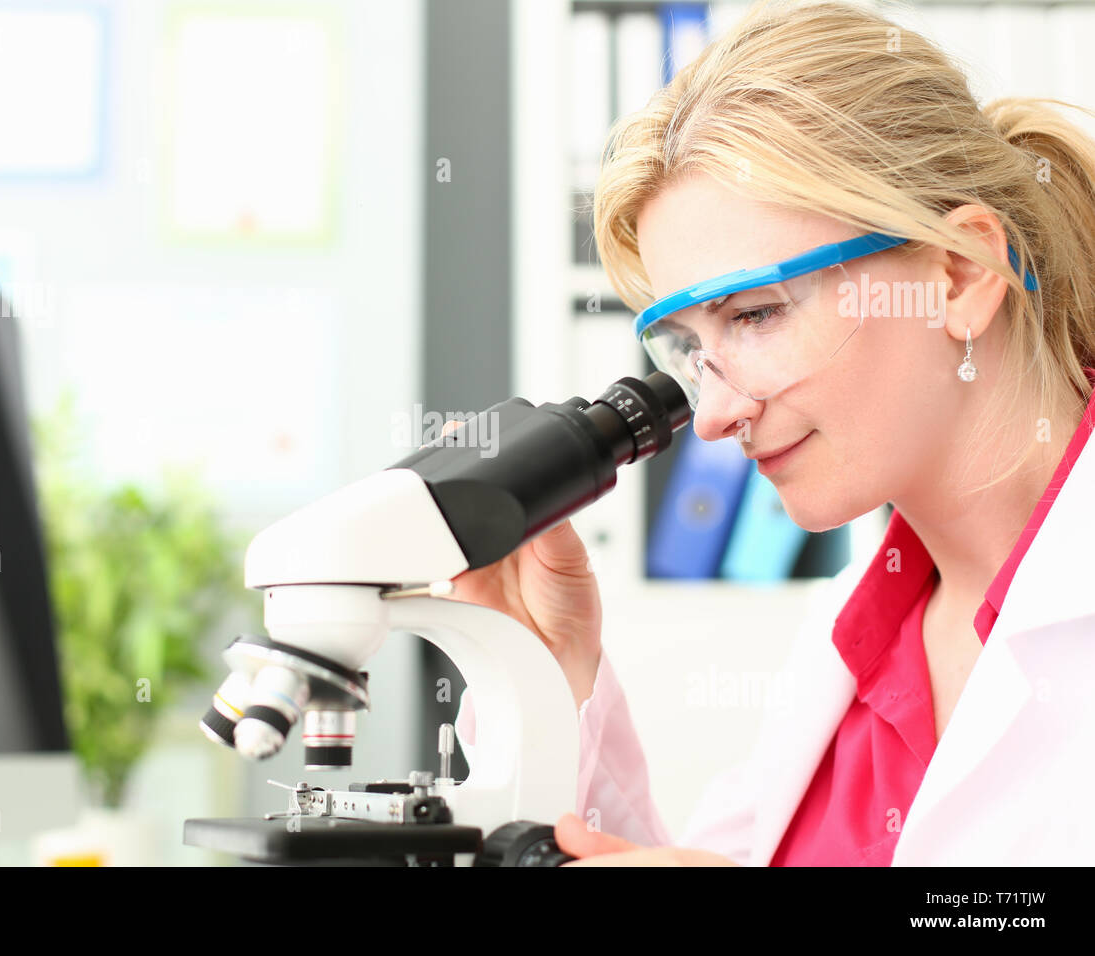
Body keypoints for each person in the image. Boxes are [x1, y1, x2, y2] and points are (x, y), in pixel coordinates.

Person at [454, 0, 1095, 865]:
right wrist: (554, 679)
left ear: (958, 272)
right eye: (692, 352)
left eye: (755, 315)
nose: (714, 418)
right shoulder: (857, 635)